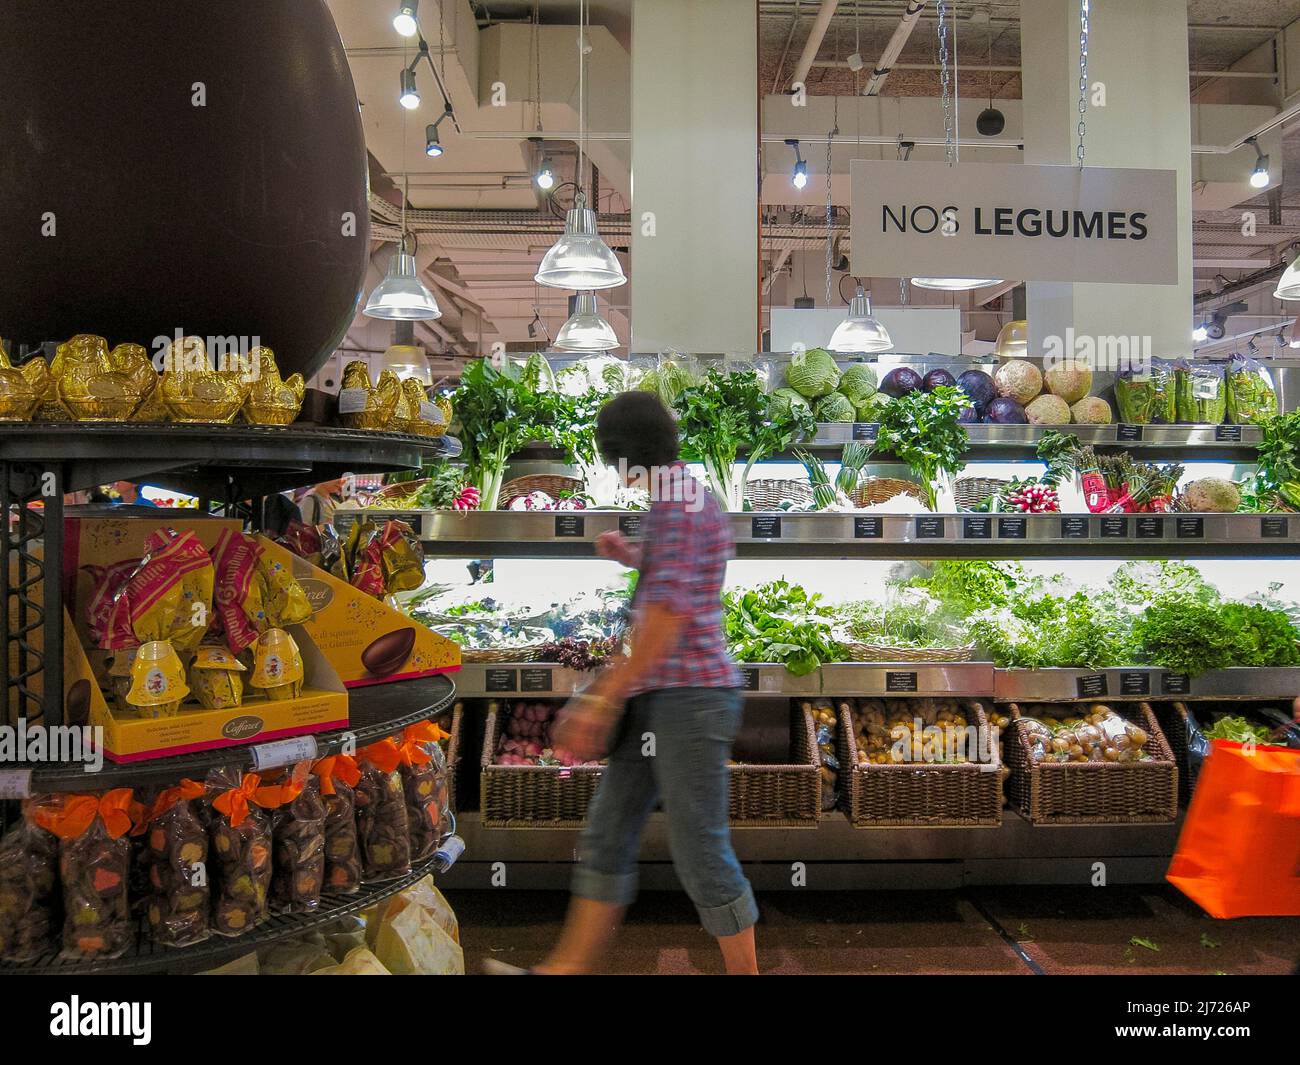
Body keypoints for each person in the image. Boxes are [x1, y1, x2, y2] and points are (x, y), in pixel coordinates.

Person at [487, 391, 759, 976]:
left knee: (700, 847)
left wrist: (601, 699)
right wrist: (634, 556)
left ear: (625, 457)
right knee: (609, 831)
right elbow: (684, 571)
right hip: (659, 694)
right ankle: (562, 972)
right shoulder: (683, 496)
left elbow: (665, 622)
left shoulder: (679, 505)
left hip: (689, 698)